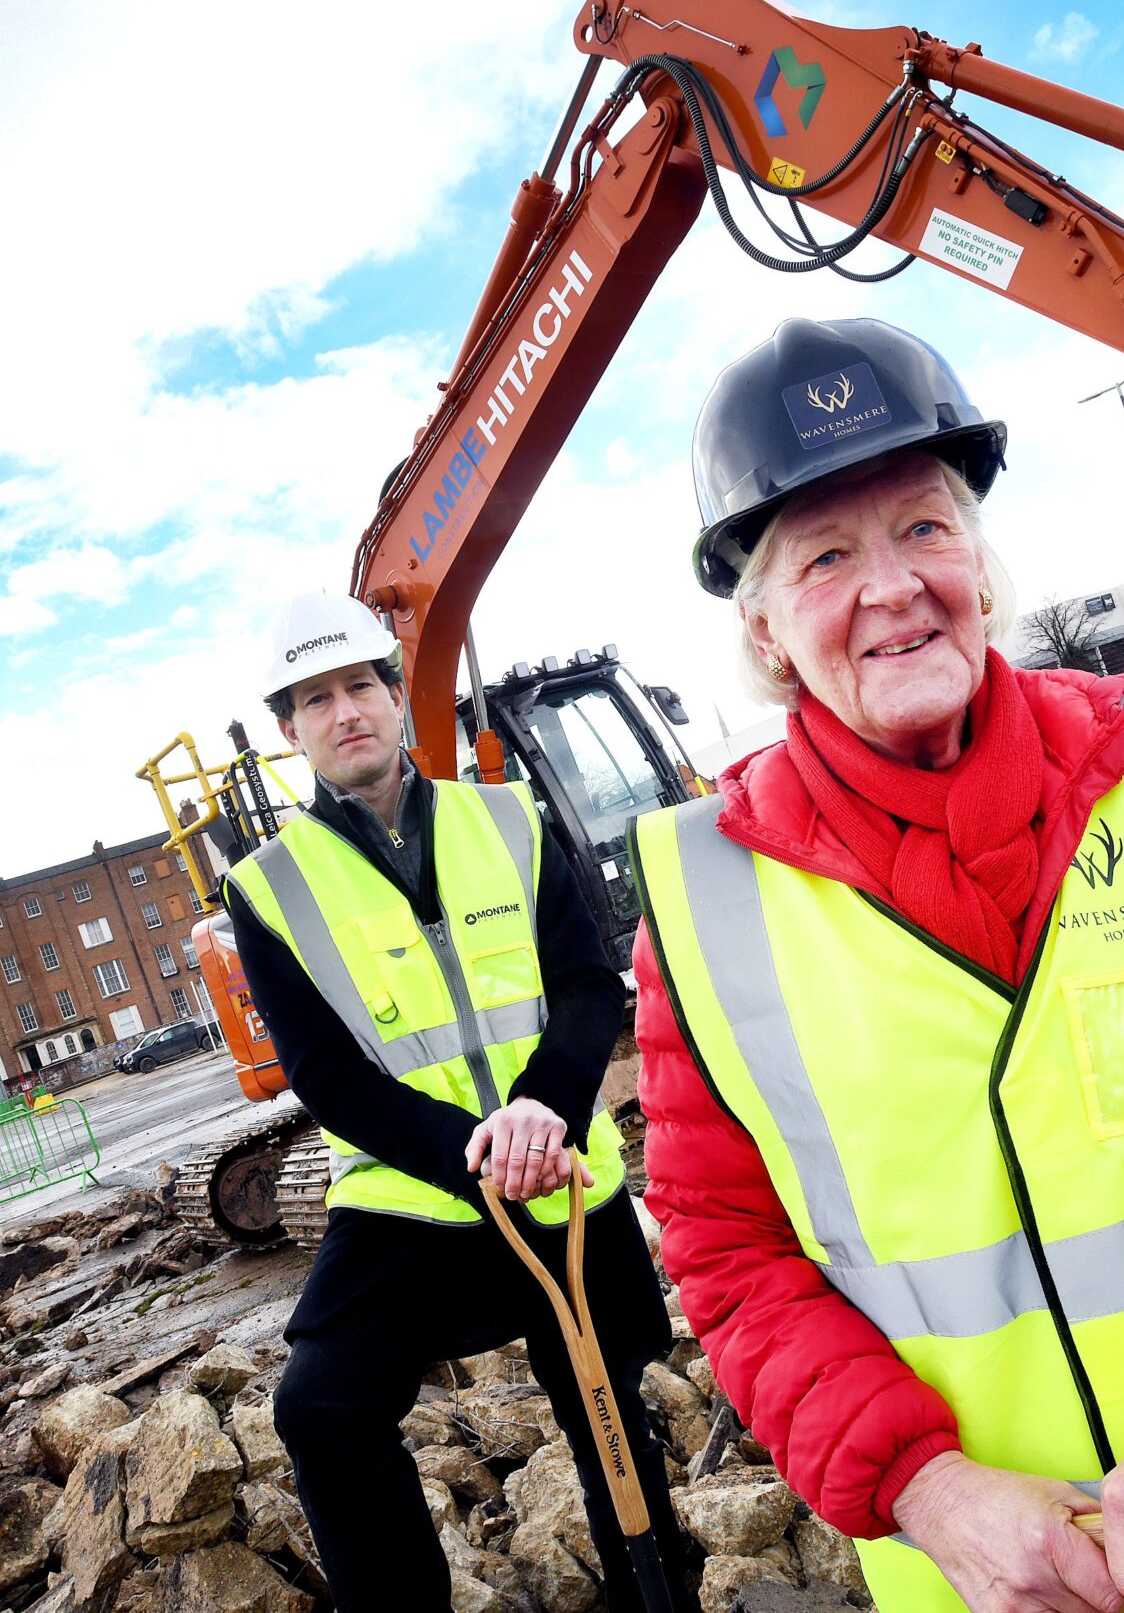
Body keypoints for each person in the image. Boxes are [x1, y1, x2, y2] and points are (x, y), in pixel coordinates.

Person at [630, 318, 1124, 1613]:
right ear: (767, 628)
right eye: (826, 555)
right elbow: (730, 1248)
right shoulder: (704, 895)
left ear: (982, 564)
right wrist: (927, 1488)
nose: (892, 585)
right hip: (993, 1576)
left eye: (925, 529)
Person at [228, 593, 698, 1613]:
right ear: (288, 730)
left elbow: (586, 987)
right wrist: (472, 1149)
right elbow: (326, 1072)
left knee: (610, 1408)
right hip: (418, 1202)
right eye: (316, 699)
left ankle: (659, 1598)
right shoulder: (267, 887)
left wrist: (544, 1113)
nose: (345, 710)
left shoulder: (508, 818)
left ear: (397, 697)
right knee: (321, 1409)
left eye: (360, 684)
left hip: (565, 1181)